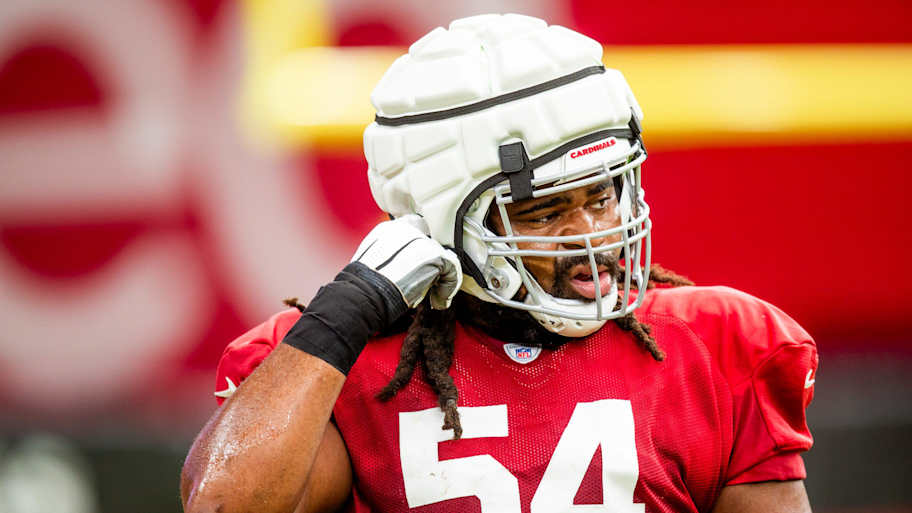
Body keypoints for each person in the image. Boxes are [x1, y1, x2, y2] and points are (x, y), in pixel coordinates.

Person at [180, 13, 817, 513]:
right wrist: (339, 317)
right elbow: (221, 506)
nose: (591, 235)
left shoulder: (714, 345)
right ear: (444, 225)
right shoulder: (334, 369)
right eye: (543, 213)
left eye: (602, 196)